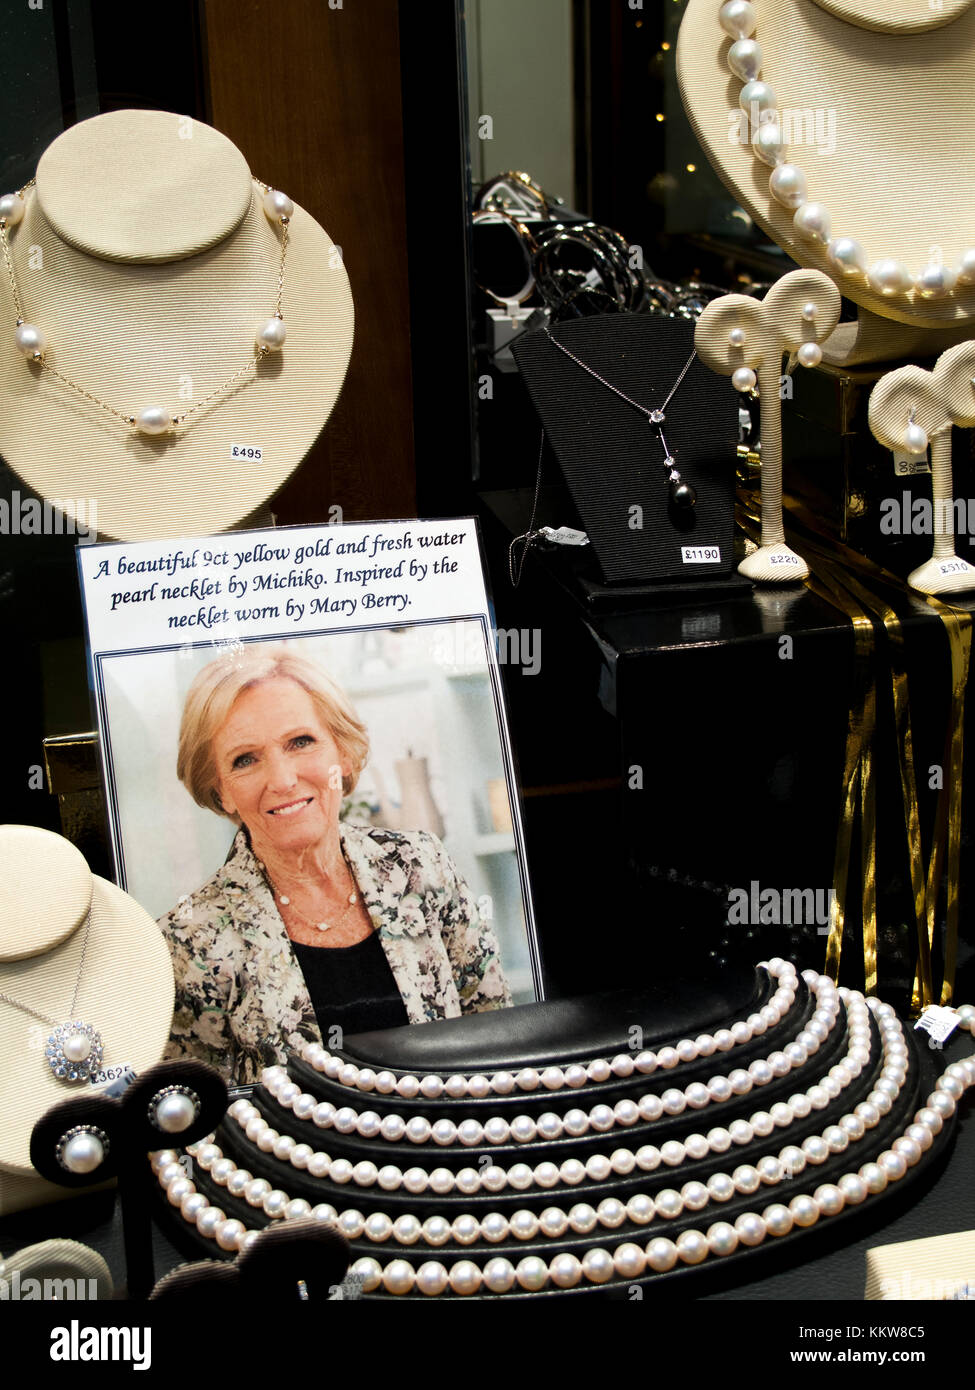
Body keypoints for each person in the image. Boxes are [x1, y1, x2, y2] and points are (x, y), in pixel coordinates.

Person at [158, 645, 511, 1083]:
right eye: (244, 759)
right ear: (221, 790)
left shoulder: (421, 865)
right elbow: (198, 1122)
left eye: (300, 742)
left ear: (342, 754)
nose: (283, 779)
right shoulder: (188, 941)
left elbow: (498, 1038)